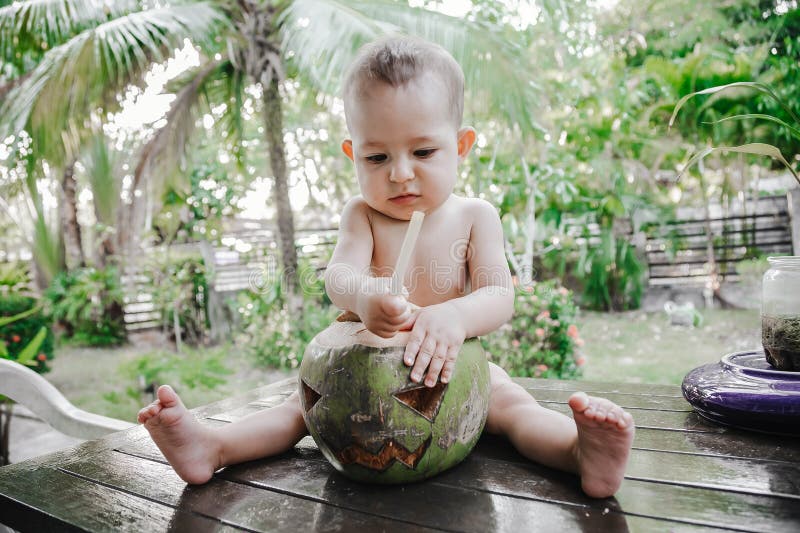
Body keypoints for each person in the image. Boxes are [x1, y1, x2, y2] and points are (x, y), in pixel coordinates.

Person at [138, 35, 634, 498]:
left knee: (511, 405)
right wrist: (362, 297)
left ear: (460, 146)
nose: (400, 174)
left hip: (453, 370)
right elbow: (339, 275)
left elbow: (498, 295)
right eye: (376, 158)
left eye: (423, 151)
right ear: (353, 154)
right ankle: (214, 448)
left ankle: (579, 452)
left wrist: (454, 318)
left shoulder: (475, 216)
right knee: (299, 410)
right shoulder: (362, 215)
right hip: (359, 375)